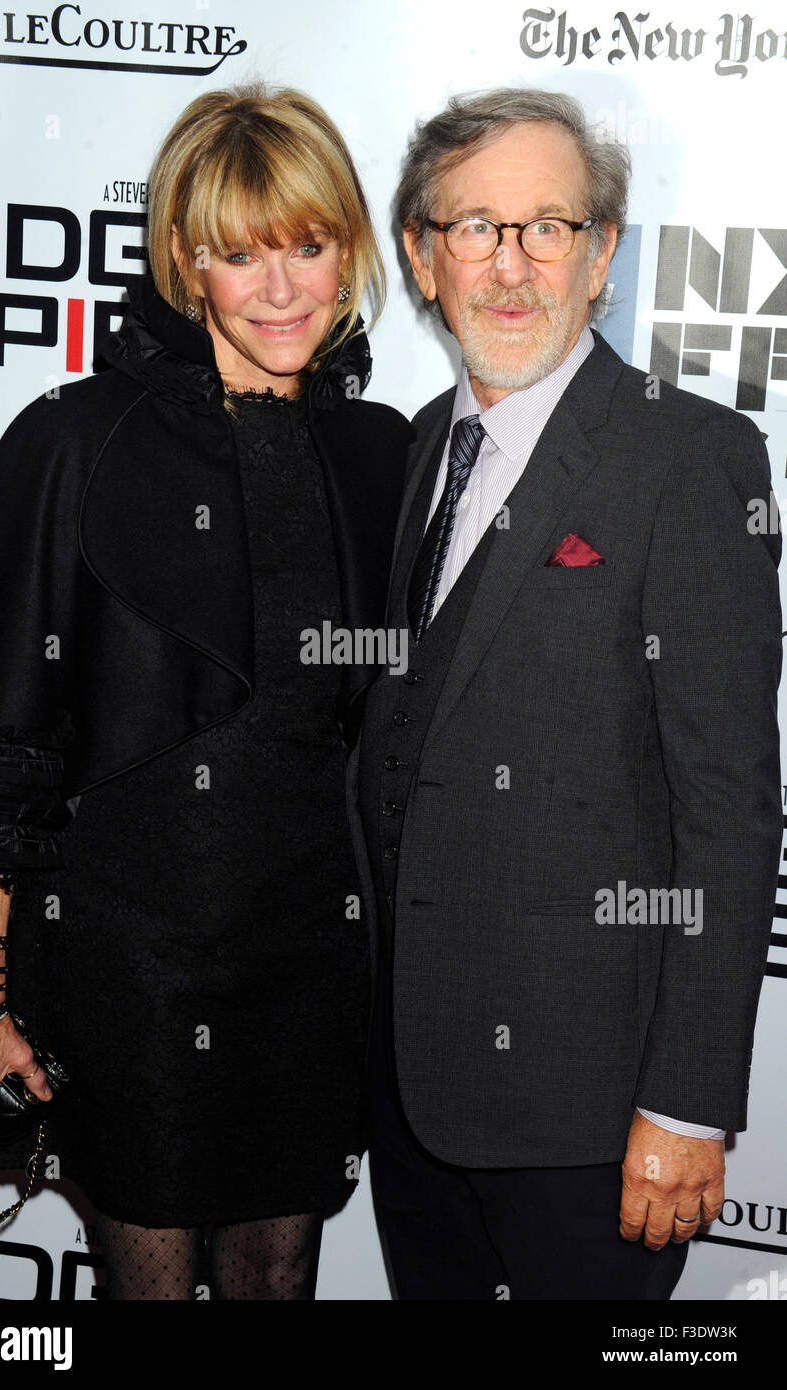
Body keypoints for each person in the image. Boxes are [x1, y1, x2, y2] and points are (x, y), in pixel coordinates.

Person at [0, 83, 411, 1300]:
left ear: (347, 246)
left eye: (308, 245)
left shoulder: (381, 451)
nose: (284, 287)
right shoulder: (73, 440)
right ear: (186, 262)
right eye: (243, 254)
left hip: (309, 952)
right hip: (128, 957)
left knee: (278, 1275)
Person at [351, 88, 782, 1300]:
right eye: (472, 229)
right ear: (423, 261)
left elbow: (727, 809)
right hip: (412, 1097)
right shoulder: (423, 445)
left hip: (595, 1123)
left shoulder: (687, 456)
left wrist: (686, 1104)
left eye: (547, 226)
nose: (509, 265)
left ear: (600, 257)